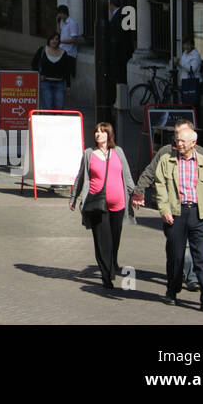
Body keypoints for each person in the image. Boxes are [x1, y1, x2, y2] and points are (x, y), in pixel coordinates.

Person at [132, 119, 203, 293]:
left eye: (181, 135)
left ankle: (191, 278)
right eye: (175, 135)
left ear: (192, 136)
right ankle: (176, 277)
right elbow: (151, 171)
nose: (177, 140)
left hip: (194, 208)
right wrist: (138, 191)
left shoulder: (202, 153)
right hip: (172, 207)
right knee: (175, 249)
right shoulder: (166, 152)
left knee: (190, 247)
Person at [154, 121, 203, 314]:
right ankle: (172, 290)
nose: (179, 143)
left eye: (183, 141)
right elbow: (160, 186)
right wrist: (164, 209)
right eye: (177, 140)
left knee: (201, 259)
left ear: (194, 143)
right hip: (176, 214)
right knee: (175, 257)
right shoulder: (167, 160)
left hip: (199, 215)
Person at [69, 123, 135, 291]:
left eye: (102, 132)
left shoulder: (118, 152)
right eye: (96, 132)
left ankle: (112, 262)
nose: (98, 134)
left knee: (114, 239)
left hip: (118, 203)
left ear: (109, 135)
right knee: (102, 241)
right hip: (97, 204)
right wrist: (74, 197)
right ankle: (107, 276)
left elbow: (126, 175)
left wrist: (135, 195)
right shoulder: (89, 154)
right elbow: (81, 176)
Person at [32, 32, 76, 111]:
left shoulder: (64, 53)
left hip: (59, 84)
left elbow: (67, 70)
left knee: (59, 106)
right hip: (45, 83)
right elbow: (34, 64)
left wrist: (68, 85)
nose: (54, 41)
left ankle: (57, 121)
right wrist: (39, 75)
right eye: (52, 39)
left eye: (56, 39)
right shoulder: (42, 50)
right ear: (49, 40)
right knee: (47, 107)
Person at [176, 38, 203, 105]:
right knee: (186, 104)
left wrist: (180, 62)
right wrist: (177, 63)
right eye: (185, 45)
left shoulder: (195, 55)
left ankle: (196, 115)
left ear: (192, 45)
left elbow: (192, 69)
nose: (186, 46)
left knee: (194, 104)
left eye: (188, 44)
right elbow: (183, 67)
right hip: (185, 82)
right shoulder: (184, 53)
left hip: (194, 83)